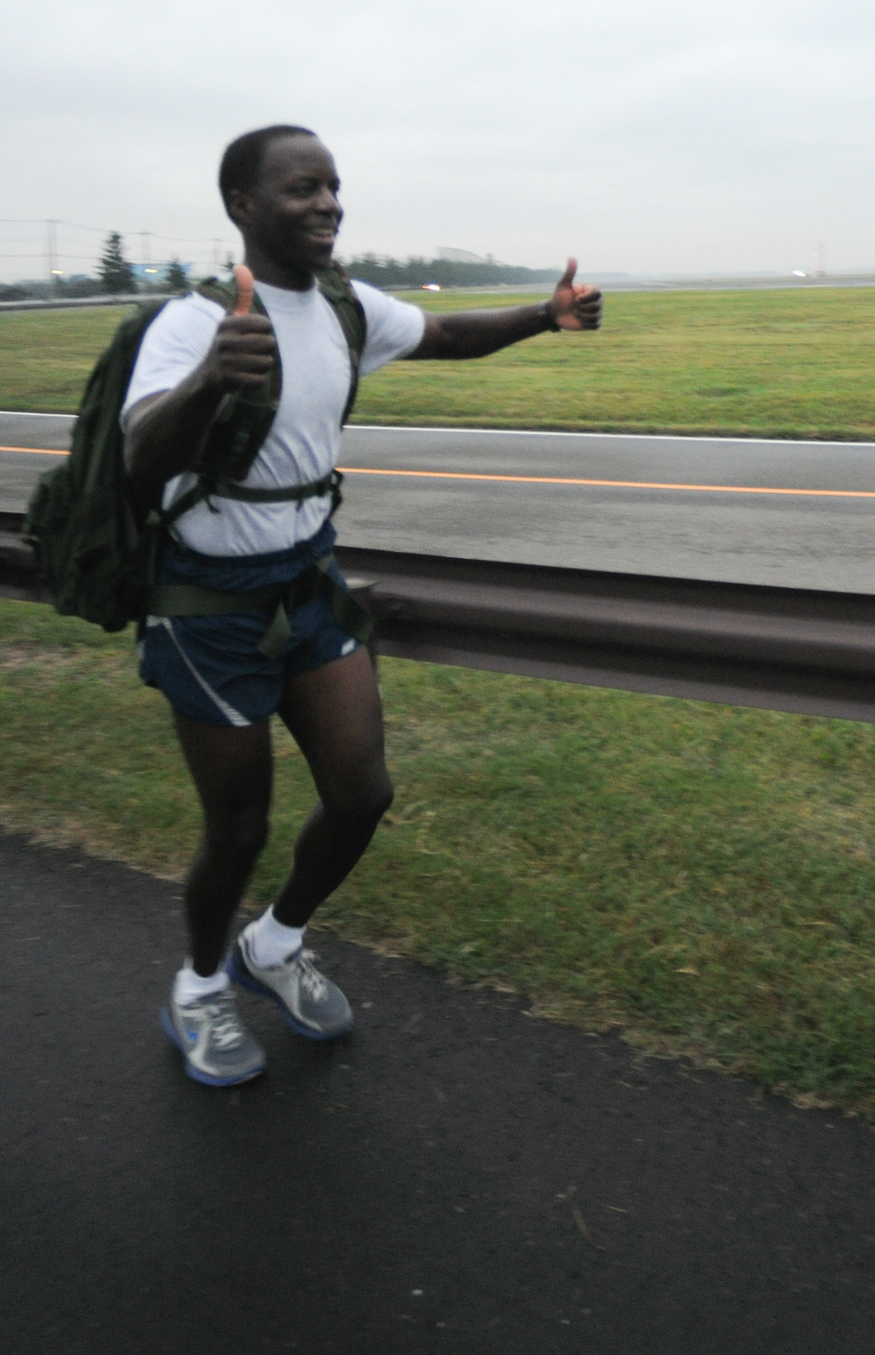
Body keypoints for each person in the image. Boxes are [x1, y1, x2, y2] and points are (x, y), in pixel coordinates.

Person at [124, 123, 602, 1085]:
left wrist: (544, 316)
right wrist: (217, 375)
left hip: (308, 585)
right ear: (243, 207)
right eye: (303, 189)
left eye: (335, 187)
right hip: (207, 607)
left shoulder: (345, 307)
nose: (329, 205)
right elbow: (139, 449)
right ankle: (201, 987)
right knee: (240, 827)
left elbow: (451, 335)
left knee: (363, 793)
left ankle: (277, 941)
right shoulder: (192, 322)